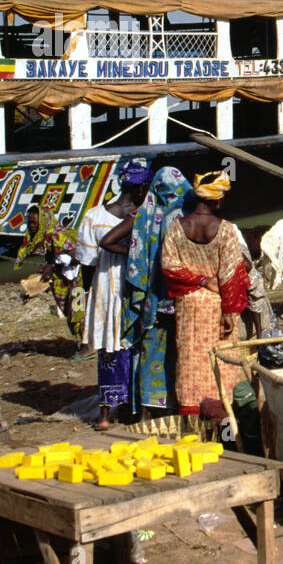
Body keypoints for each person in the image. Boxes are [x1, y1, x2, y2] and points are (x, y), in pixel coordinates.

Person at [158, 171, 250, 417]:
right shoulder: (226, 230)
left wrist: (200, 280)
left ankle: (191, 407)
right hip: (219, 305)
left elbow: (169, 266)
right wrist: (229, 313)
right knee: (222, 359)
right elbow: (231, 277)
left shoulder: (176, 228)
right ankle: (224, 408)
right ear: (216, 200)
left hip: (189, 305)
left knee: (191, 357)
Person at [104, 166, 192, 416]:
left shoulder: (142, 216)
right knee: (180, 351)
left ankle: (144, 409)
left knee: (150, 349)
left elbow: (107, 241)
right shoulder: (185, 216)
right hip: (181, 295)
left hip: (151, 300)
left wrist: (136, 256)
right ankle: (177, 403)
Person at [76, 159, 150, 430]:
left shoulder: (94, 218)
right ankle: (139, 410)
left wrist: (89, 297)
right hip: (135, 288)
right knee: (138, 345)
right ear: (142, 189)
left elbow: (86, 264)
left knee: (109, 346)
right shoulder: (146, 216)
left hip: (106, 289)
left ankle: (106, 415)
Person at [15, 204, 87, 350]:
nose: (32, 226)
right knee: (69, 310)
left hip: (78, 277)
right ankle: (81, 342)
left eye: (35, 223)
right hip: (64, 277)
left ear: (43, 221)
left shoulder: (58, 235)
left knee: (78, 311)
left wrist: (53, 267)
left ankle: (86, 345)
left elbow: (79, 256)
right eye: (30, 223)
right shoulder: (45, 236)